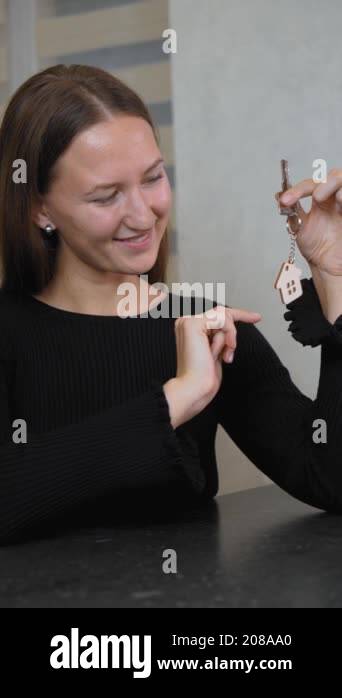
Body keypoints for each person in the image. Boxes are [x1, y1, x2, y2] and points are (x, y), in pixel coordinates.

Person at [0, 64, 342, 547]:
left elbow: (329, 477)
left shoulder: (208, 330)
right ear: (40, 208)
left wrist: (334, 277)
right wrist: (175, 400)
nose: (144, 215)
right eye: (106, 196)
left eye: (153, 178)